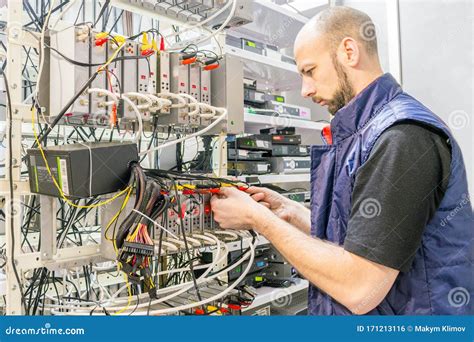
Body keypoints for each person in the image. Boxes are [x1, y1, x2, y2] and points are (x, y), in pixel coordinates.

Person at [210, 6, 472, 315]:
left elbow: (360, 288)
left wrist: (260, 220)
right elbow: (362, 237)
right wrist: (290, 213)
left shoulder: (401, 137)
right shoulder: (367, 132)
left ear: (349, 51)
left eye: (310, 71)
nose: (305, 90)